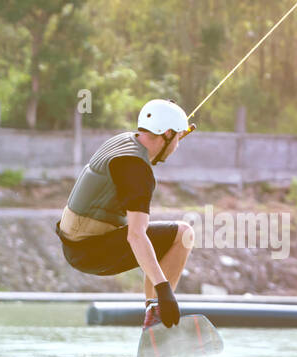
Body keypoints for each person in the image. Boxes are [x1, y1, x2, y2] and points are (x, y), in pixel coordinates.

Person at [55, 99, 195, 329]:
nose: (178, 145)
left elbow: (138, 163)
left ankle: (154, 311)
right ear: (167, 133)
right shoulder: (136, 169)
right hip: (90, 251)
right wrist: (164, 290)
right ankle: (158, 312)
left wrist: (170, 140)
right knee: (183, 234)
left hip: (74, 246)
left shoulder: (122, 142)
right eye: (178, 138)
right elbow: (136, 235)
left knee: (166, 235)